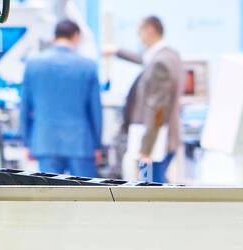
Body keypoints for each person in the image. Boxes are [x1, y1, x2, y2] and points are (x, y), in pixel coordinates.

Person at [20, 19, 103, 178]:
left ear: (55, 36)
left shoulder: (33, 64)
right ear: (76, 36)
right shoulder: (88, 66)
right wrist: (97, 145)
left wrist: (27, 142)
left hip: (45, 140)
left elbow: (25, 107)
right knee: (86, 195)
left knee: (50, 197)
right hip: (80, 143)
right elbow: (95, 111)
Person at [107, 16, 183, 182]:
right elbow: (143, 59)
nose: (139, 38)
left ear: (150, 30)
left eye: (139, 32)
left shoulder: (160, 62)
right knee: (157, 185)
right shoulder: (169, 55)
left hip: (155, 141)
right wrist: (117, 51)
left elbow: (158, 108)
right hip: (164, 136)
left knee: (152, 189)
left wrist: (146, 148)